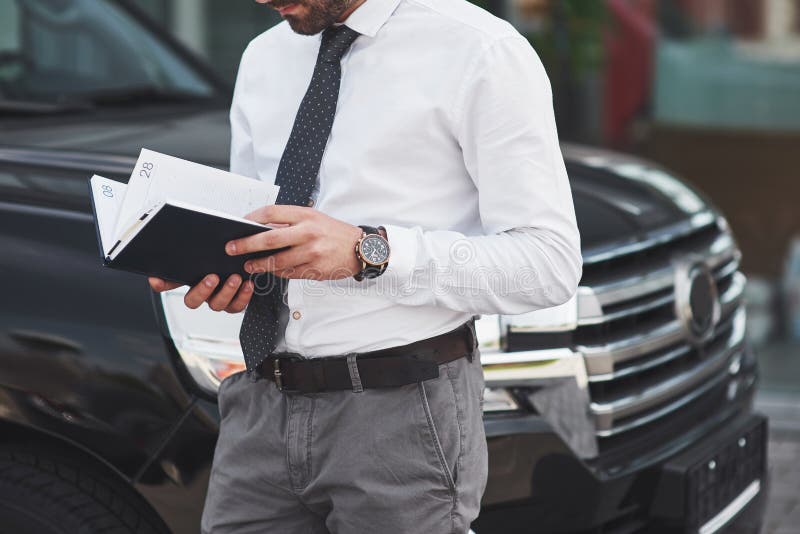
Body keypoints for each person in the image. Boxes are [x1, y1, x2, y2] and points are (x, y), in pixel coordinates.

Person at [149, 0, 582, 531]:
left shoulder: (481, 50)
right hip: (257, 405)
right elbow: (260, 227)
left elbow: (549, 262)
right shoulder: (263, 56)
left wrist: (369, 252)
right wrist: (219, 266)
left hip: (400, 415)